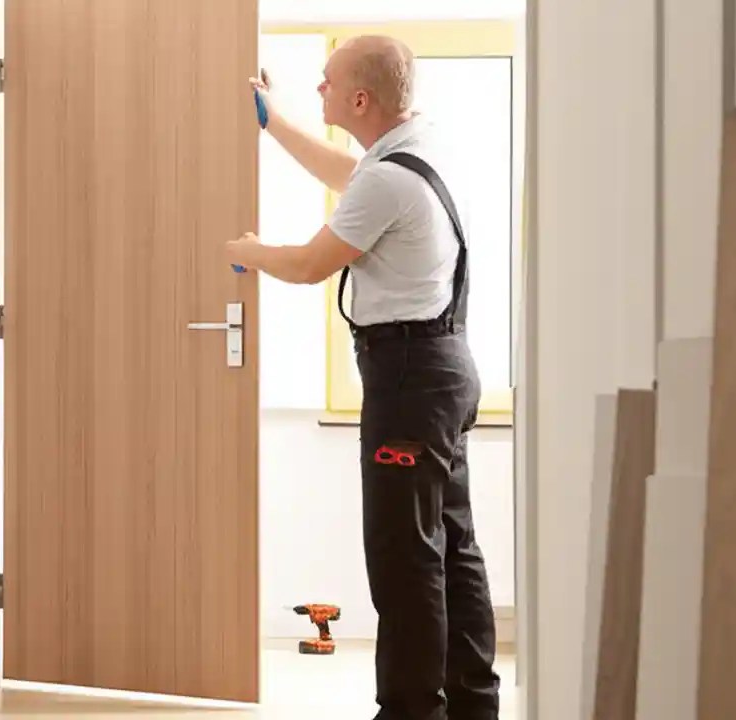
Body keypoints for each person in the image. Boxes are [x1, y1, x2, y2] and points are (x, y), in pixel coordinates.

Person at [224, 35, 500, 720]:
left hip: (410, 379)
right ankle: (472, 703)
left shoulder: (387, 179)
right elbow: (349, 174)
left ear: (359, 98)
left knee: (404, 557)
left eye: (325, 82)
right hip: (443, 369)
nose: (317, 88)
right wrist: (275, 121)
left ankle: (409, 710)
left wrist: (249, 252)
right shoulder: (416, 147)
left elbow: (311, 264)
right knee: (451, 547)